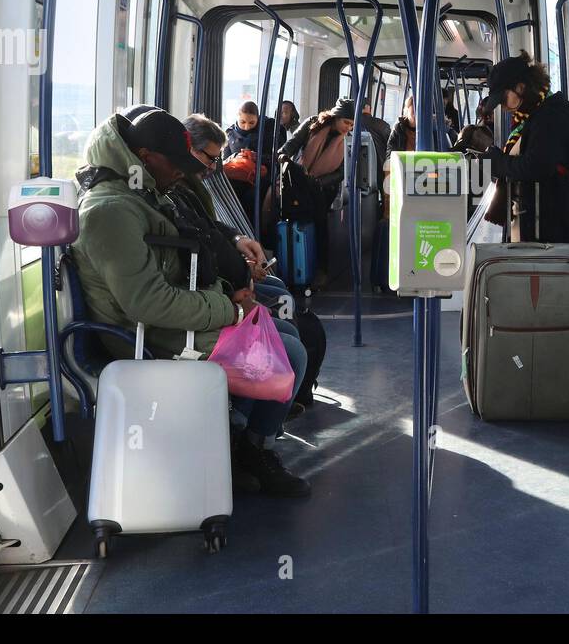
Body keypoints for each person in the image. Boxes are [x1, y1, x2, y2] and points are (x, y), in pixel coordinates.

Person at [69, 107, 311, 497]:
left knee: (277, 329)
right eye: (176, 164)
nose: (182, 172)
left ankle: (238, 441)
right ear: (146, 157)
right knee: (289, 353)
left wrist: (225, 295)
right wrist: (228, 310)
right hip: (145, 337)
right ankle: (247, 448)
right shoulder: (111, 212)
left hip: (168, 321)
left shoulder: (138, 191)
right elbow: (149, 303)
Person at [475, 51, 569, 245]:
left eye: (503, 99)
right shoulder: (531, 117)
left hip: (550, 234)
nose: (503, 107)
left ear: (520, 87)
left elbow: (536, 166)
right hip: (534, 226)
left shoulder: (552, 117)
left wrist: (498, 162)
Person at [278, 96, 356, 284]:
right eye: (346, 122)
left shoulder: (348, 141)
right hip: (298, 176)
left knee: (319, 219)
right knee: (283, 211)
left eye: (352, 125)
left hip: (325, 186)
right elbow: (292, 144)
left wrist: (319, 182)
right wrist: (283, 155)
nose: (348, 128)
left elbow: (341, 172)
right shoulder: (313, 124)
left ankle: (321, 268)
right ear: (336, 117)